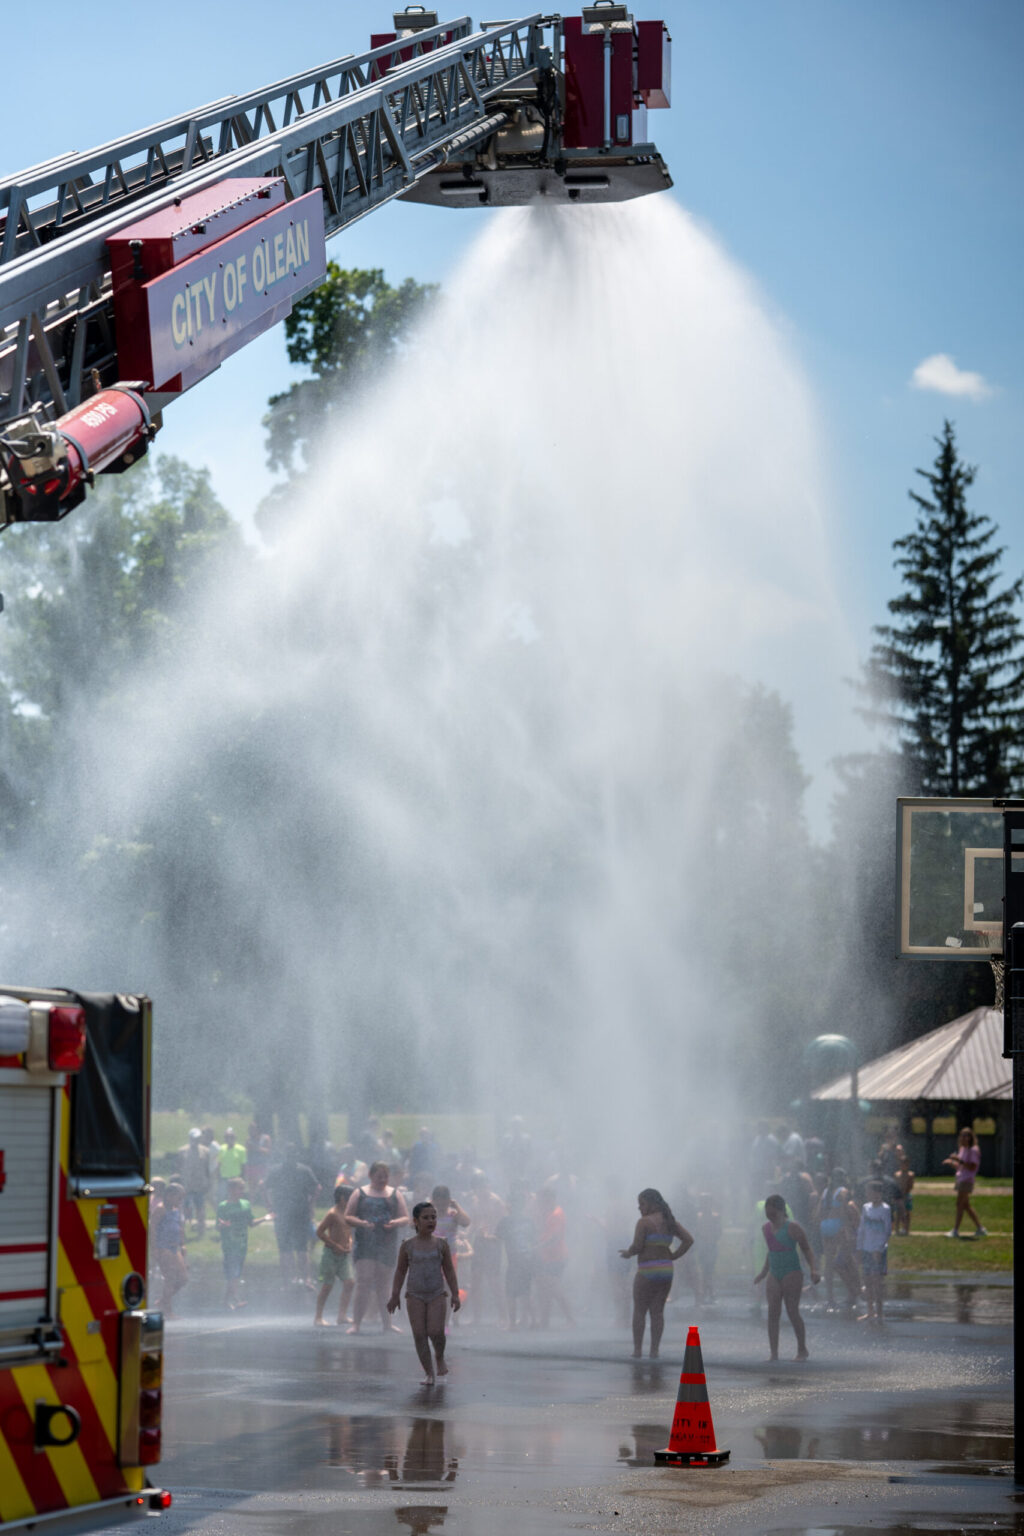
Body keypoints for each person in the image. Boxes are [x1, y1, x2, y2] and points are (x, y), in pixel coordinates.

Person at [387, 1201, 461, 1385]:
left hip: (437, 1293)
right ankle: (429, 1373)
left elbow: (449, 1271)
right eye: (426, 1218)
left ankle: (439, 1356)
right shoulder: (407, 1246)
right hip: (414, 1295)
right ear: (416, 1221)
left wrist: (455, 1294)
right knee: (419, 1334)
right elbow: (400, 1271)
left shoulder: (441, 1245)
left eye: (433, 1217)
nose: (431, 1221)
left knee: (436, 1331)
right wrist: (395, 1295)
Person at [619, 1187, 693, 1360]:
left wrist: (628, 1253)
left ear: (652, 1204)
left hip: (647, 1270)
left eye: (642, 1204)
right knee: (657, 1312)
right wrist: (674, 1255)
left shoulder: (644, 1222)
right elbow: (689, 1240)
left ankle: (637, 1350)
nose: (639, 1208)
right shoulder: (670, 1221)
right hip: (666, 1271)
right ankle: (654, 1351)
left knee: (639, 1310)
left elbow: (638, 1246)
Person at [753, 1192, 820, 1361]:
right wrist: (763, 1273)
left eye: (773, 1213)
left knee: (792, 1310)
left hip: (792, 1272)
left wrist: (814, 1269)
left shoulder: (793, 1228)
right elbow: (771, 1251)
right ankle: (774, 1353)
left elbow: (807, 1249)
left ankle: (802, 1349)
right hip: (774, 1272)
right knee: (772, 1312)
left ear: (782, 1211)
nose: (770, 1217)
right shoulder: (766, 1228)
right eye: (768, 1214)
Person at [345, 1162, 409, 1332]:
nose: (382, 1179)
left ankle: (387, 1324)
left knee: (384, 1285)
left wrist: (395, 1222)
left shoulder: (395, 1194)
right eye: (379, 1176)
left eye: (385, 1176)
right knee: (363, 1281)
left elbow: (405, 1218)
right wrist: (362, 1223)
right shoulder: (360, 1193)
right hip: (365, 1243)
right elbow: (348, 1216)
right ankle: (356, 1324)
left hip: (386, 1243)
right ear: (370, 1176)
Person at [266, 1144, 320, 1286]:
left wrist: (269, 1205)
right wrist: (311, 1205)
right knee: (296, 1248)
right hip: (289, 1213)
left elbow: (316, 1188)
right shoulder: (300, 1170)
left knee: (291, 1248)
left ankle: (293, 1280)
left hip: (292, 1213)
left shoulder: (298, 1170)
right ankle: (302, 1279)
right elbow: (317, 1188)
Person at [216, 1176, 269, 1309]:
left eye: (242, 1189)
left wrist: (265, 1218)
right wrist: (222, 1225)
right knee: (233, 1272)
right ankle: (235, 1298)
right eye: (239, 1189)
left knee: (236, 1273)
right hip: (229, 1244)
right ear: (230, 1189)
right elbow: (218, 1225)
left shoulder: (245, 1204)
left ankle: (226, 1301)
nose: (242, 1191)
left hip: (242, 1244)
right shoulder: (223, 1206)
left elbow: (251, 1223)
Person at [818, 1168, 860, 1314]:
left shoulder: (825, 1192)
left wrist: (822, 1224)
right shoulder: (842, 1191)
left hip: (825, 1225)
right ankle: (853, 1292)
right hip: (837, 1225)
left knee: (828, 1262)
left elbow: (820, 1211)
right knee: (846, 1258)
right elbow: (843, 1210)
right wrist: (847, 1228)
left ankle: (830, 1298)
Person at [496, 1180, 536, 1330]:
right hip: (527, 1259)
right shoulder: (529, 1221)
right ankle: (533, 1320)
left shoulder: (506, 1221)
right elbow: (533, 1239)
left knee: (511, 1292)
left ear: (509, 1205)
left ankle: (512, 1324)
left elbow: (498, 1237)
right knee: (526, 1291)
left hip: (514, 1261)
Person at [314, 1184, 356, 1326]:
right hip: (331, 1254)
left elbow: (348, 1232)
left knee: (350, 1282)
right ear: (343, 1198)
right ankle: (318, 1317)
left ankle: (342, 1316)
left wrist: (349, 1243)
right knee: (327, 1285)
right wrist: (334, 1245)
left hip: (343, 1255)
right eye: (350, 1198)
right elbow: (319, 1232)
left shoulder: (348, 1213)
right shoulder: (332, 1213)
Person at [535, 1185, 574, 1328]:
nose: (540, 1203)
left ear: (550, 1199)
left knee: (555, 1289)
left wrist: (538, 1247)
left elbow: (555, 1237)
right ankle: (544, 1320)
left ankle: (570, 1319)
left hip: (556, 1256)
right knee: (545, 1289)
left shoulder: (556, 1214)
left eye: (542, 1200)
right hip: (548, 1256)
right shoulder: (548, 1212)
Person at [855, 1178, 892, 1324]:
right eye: (867, 1192)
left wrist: (879, 1248)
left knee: (877, 1282)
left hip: (878, 1250)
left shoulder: (885, 1209)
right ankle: (870, 1311)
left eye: (870, 1192)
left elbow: (887, 1231)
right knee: (867, 1281)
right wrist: (859, 1247)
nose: (868, 1195)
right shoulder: (866, 1207)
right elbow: (861, 1229)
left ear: (878, 1193)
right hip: (866, 1248)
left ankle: (880, 1313)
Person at [942, 1127, 985, 1238]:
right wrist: (951, 1162)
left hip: (967, 1180)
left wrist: (958, 1160)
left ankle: (955, 1230)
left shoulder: (973, 1149)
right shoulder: (963, 1149)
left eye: (967, 1135)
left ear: (971, 1137)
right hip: (961, 1178)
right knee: (965, 1205)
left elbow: (972, 1167)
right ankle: (980, 1228)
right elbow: (961, 1166)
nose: (965, 1137)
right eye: (963, 1135)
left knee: (960, 1204)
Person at [154, 1183, 188, 1318]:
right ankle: (167, 1310)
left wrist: (183, 1244)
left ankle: (163, 1300)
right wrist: (155, 1249)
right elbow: (153, 1229)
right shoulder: (160, 1209)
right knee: (170, 1279)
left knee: (183, 1278)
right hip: (164, 1247)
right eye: (178, 1198)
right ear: (169, 1196)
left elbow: (180, 1228)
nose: (180, 1201)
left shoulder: (176, 1210)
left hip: (175, 1248)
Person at [179, 1128, 211, 1236]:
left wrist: (208, 1182)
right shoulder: (182, 1151)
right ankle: (182, 1231)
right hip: (186, 1185)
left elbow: (207, 1168)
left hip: (199, 1185)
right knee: (185, 1208)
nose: (195, 1140)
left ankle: (201, 1231)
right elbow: (179, 1167)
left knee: (200, 1208)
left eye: (197, 1138)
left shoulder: (205, 1151)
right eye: (193, 1138)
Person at [894, 1148, 915, 1236]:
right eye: (902, 1164)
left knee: (907, 1213)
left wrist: (905, 1192)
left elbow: (911, 1186)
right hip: (899, 1196)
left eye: (905, 1164)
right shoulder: (897, 1174)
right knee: (898, 1213)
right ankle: (896, 1229)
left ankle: (906, 1229)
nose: (904, 1166)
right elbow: (895, 1186)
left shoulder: (911, 1174)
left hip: (906, 1195)